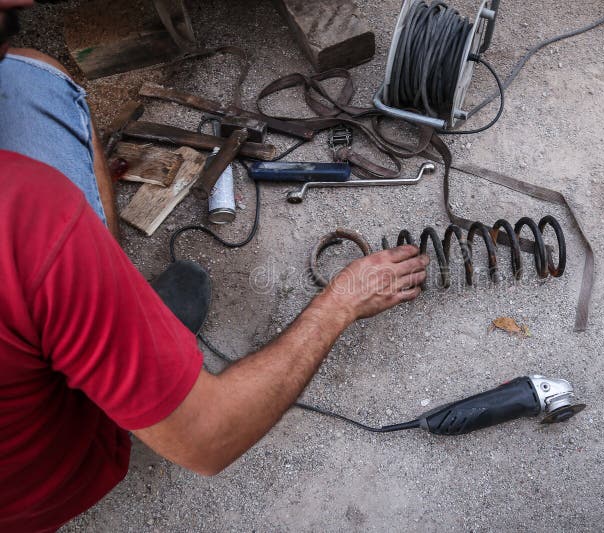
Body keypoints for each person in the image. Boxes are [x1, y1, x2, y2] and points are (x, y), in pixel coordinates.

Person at [0, 2, 429, 531]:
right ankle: (104, 333)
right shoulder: (27, 212)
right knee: (36, 84)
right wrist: (339, 303)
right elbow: (208, 439)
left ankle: (107, 314)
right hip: (40, 492)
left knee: (28, 76)